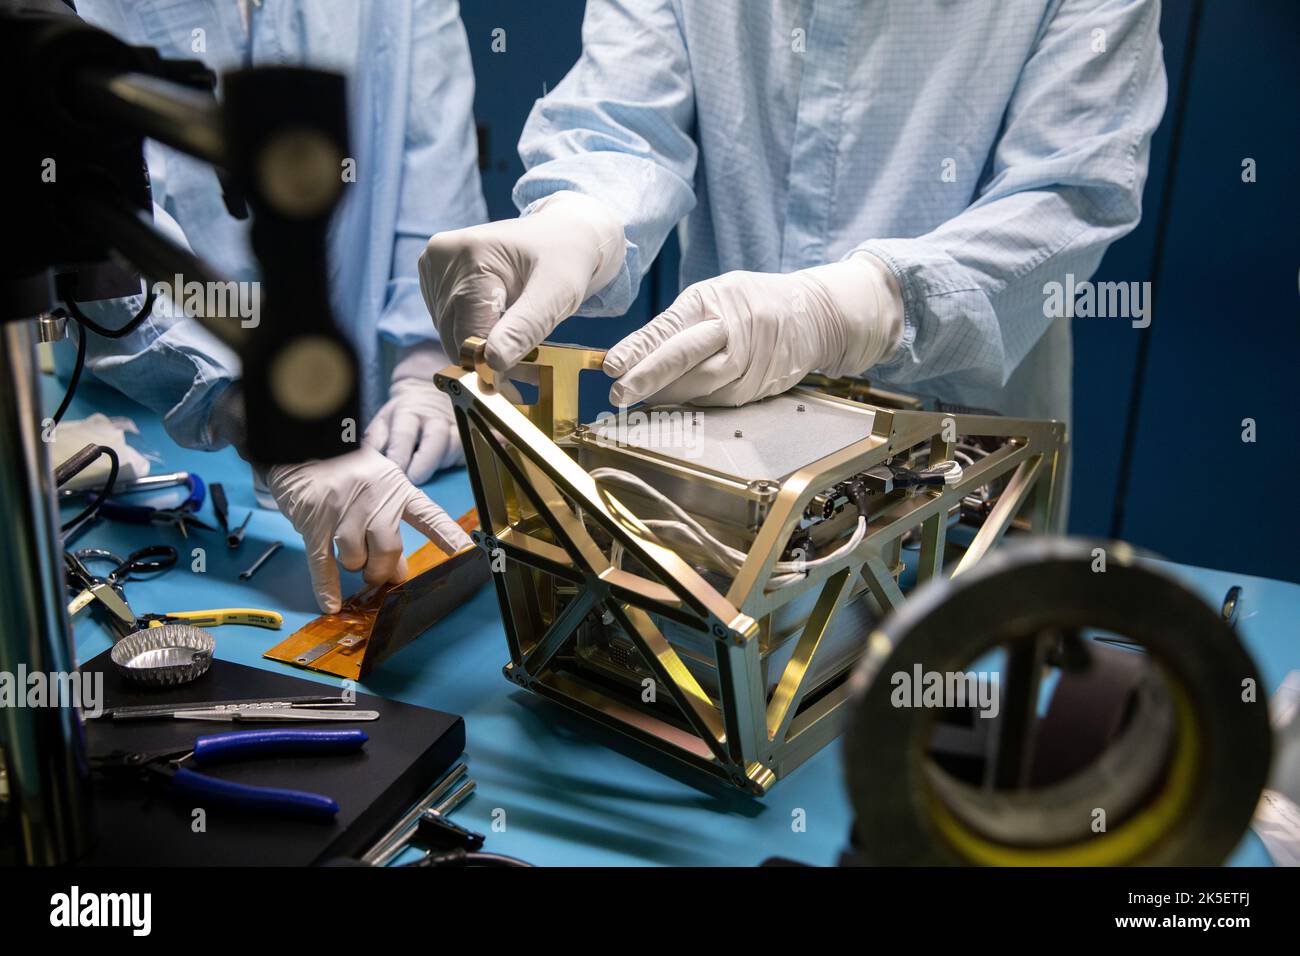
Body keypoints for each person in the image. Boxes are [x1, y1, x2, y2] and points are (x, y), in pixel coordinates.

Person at [419, 0, 1167, 463]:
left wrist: (854, 308)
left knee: (945, 688)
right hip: (720, 439)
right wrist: (580, 216)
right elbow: (623, 120)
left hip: (959, 450)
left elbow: (1069, 193)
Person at [69, 0, 484, 612]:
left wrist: (425, 363)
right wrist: (240, 404)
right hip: (147, 434)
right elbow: (96, 226)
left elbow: (432, 155)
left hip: (368, 416)